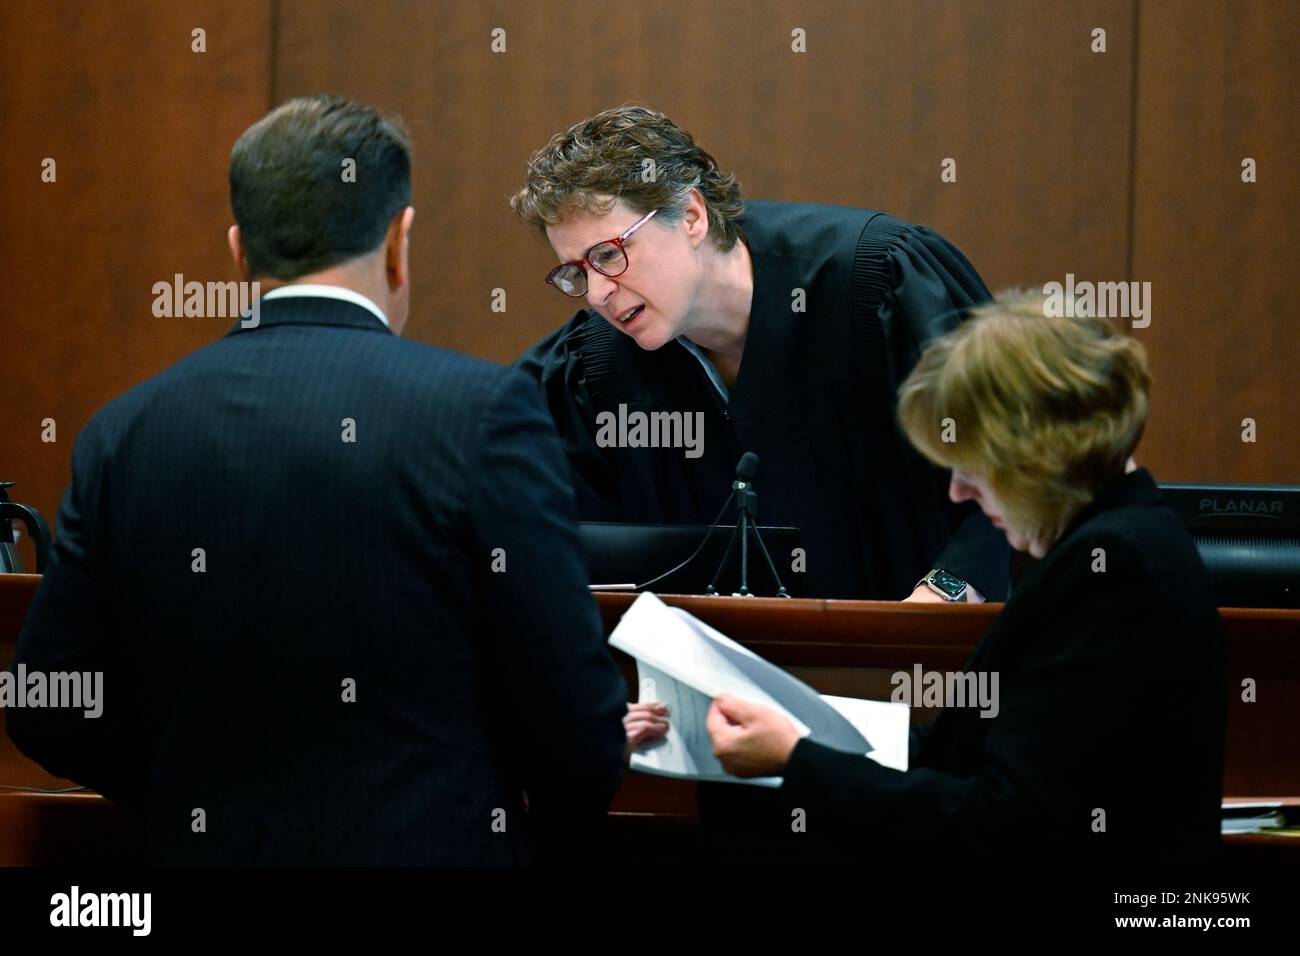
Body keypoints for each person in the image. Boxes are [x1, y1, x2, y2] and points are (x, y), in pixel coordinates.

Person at [6, 94, 627, 866]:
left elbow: (47, 704)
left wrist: (188, 796)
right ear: (399, 240)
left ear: (239, 251)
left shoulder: (123, 432)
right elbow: (576, 728)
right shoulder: (484, 413)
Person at [701, 292, 1226, 863]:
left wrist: (796, 758)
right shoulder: (1111, 547)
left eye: (971, 465)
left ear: (1038, 451)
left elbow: (1007, 824)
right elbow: (964, 757)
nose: (957, 492)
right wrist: (798, 732)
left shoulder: (1114, 566)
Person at [511, 105, 1010, 604]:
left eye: (607, 254)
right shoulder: (597, 368)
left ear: (691, 216)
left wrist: (939, 599)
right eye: (576, 272)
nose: (597, 293)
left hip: (931, 641)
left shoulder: (874, 283)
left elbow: (1017, 465)